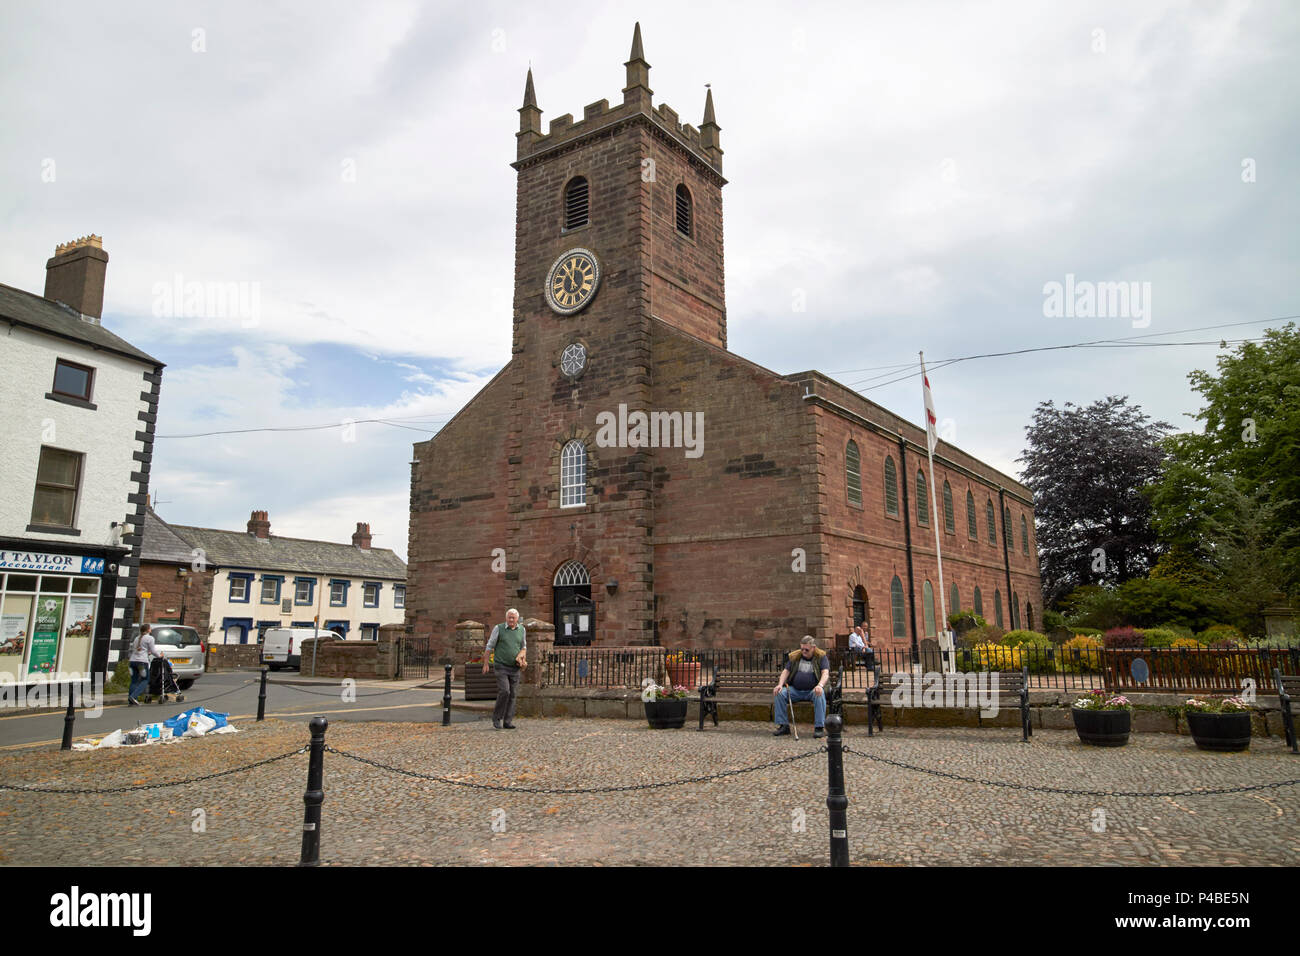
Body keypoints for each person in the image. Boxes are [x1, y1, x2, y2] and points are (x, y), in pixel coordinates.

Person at [773, 635, 829, 738]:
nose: (803, 652)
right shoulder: (795, 656)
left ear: (813, 648)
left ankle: (819, 727)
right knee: (779, 693)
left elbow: (825, 673)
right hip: (795, 690)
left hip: (813, 690)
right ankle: (783, 726)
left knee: (819, 695)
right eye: (802, 649)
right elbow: (786, 671)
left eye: (806, 650)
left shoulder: (821, 657)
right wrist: (780, 685)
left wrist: (820, 686)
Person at [483, 608, 527, 730]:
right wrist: (486, 663)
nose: (511, 620)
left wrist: (522, 658)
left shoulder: (522, 630)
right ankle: (496, 718)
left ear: (517, 619)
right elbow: (489, 646)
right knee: (505, 691)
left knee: (513, 694)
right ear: (506, 618)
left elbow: (523, 646)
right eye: (509, 617)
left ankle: (508, 721)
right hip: (501, 666)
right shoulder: (499, 628)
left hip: (515, 667)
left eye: (513, 617)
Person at [128, 623, 160, 706]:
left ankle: (131, 700)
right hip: (142, 662)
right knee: (145, 680)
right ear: (148, 630)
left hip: (132, 662)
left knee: (134, 681)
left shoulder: (136, 638)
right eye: (150, 628)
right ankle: (133, 697)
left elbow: (138, 650)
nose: (151, 630)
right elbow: (153, 651)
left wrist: (147, 652)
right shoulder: (150, 638)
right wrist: (160, 656)